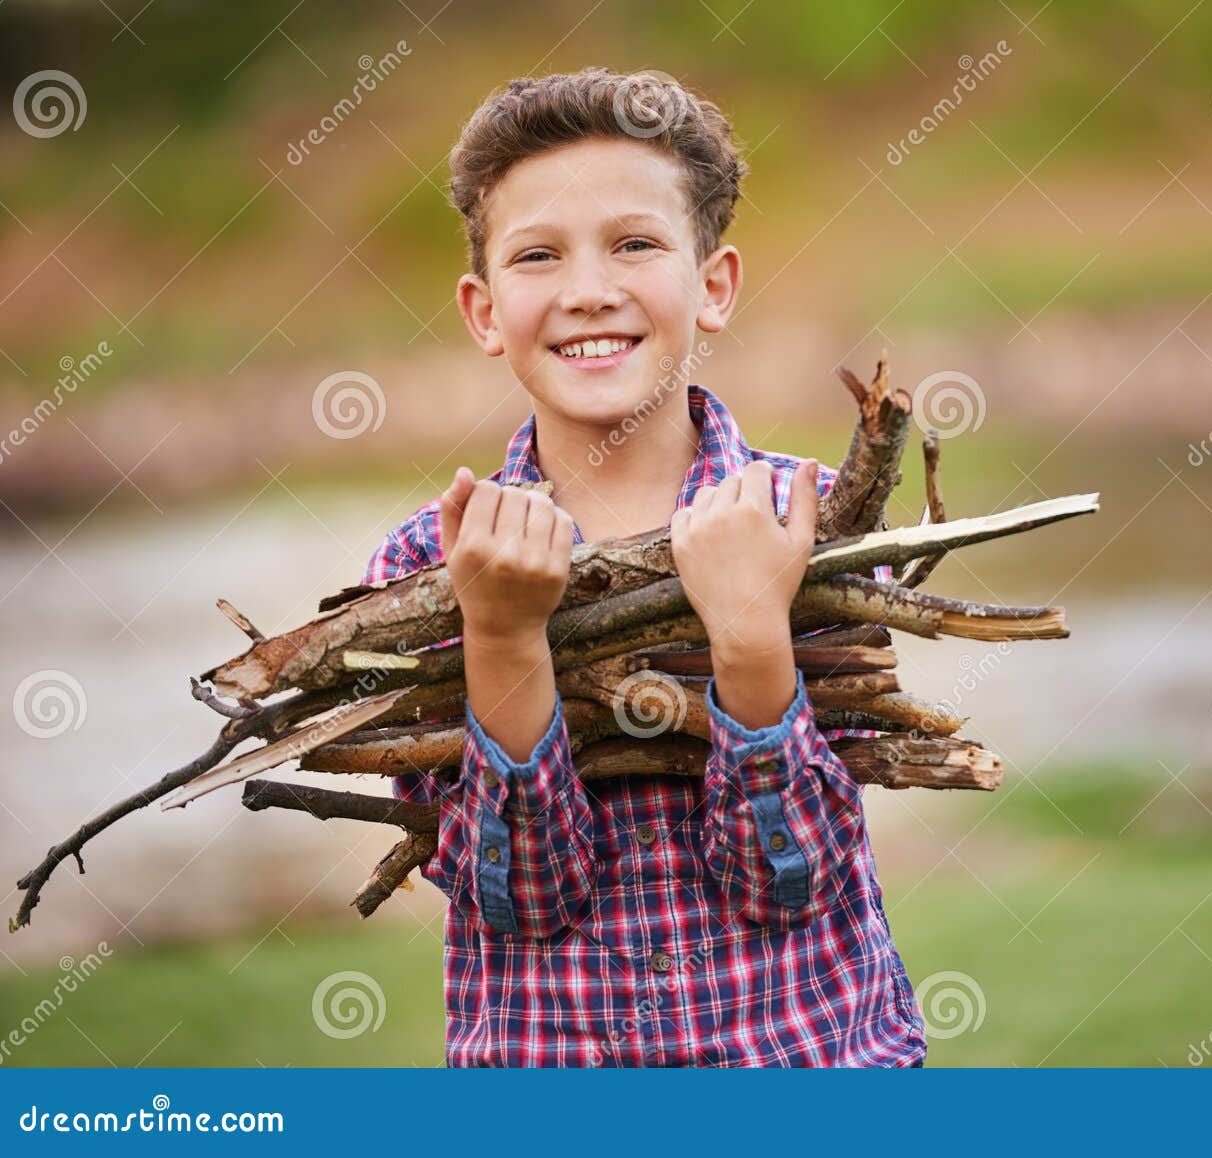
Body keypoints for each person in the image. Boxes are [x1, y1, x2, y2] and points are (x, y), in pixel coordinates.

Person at [362, 68, 926, 1067]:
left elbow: (784, 883)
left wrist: (752, 635)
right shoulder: (426, 566)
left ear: (712, 286)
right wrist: (499, 636)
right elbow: (517, 899)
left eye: (634, 244)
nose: (588, 290)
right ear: (484, 310)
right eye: (537, 255)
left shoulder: (808, 522)